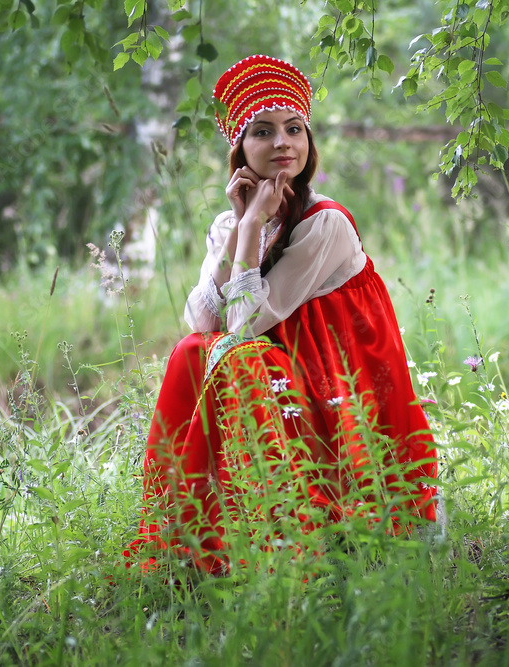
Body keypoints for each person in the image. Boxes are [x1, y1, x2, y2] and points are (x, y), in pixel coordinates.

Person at [124, 55, 438, 575]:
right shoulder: (232, 221)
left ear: (308, 141)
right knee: (193, 353)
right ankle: (187, 533)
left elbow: (244, 326)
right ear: (241, 150)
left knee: (232, 357)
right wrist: (240, 230)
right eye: (263, 132)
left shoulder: (325, 223)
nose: (282, 144)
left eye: (294, 129)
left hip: (335, 379)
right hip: (279, 362)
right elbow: (202, 322)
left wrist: (249, 237)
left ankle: (282, 538)